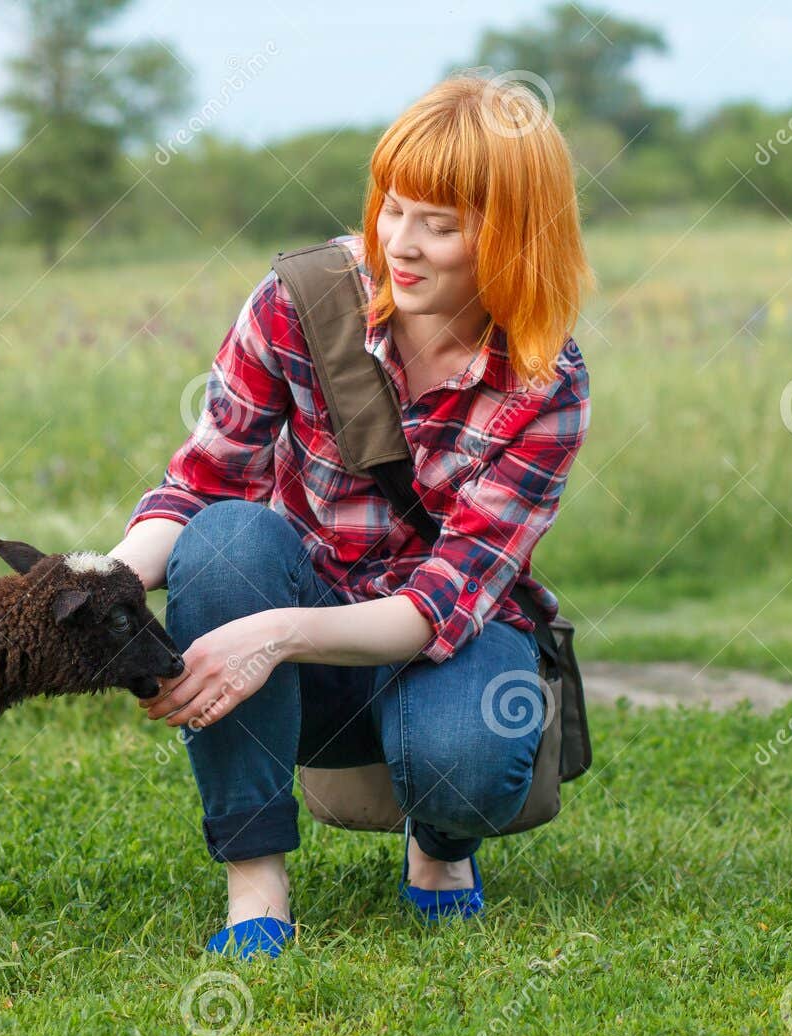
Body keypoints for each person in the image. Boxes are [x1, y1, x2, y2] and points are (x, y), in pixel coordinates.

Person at [108, 74, 595, 959]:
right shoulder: (300, 300)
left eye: (439, 226)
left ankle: (442, 844)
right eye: (393, 210)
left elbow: (446, 598)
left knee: (469, 758)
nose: (400, 246)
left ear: (516, 236)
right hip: (306, 622)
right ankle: (256, 879)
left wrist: (278, 635)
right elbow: (202, 480)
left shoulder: (544, 385)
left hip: (436, 638)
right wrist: (102, 583)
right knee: (222, 541)